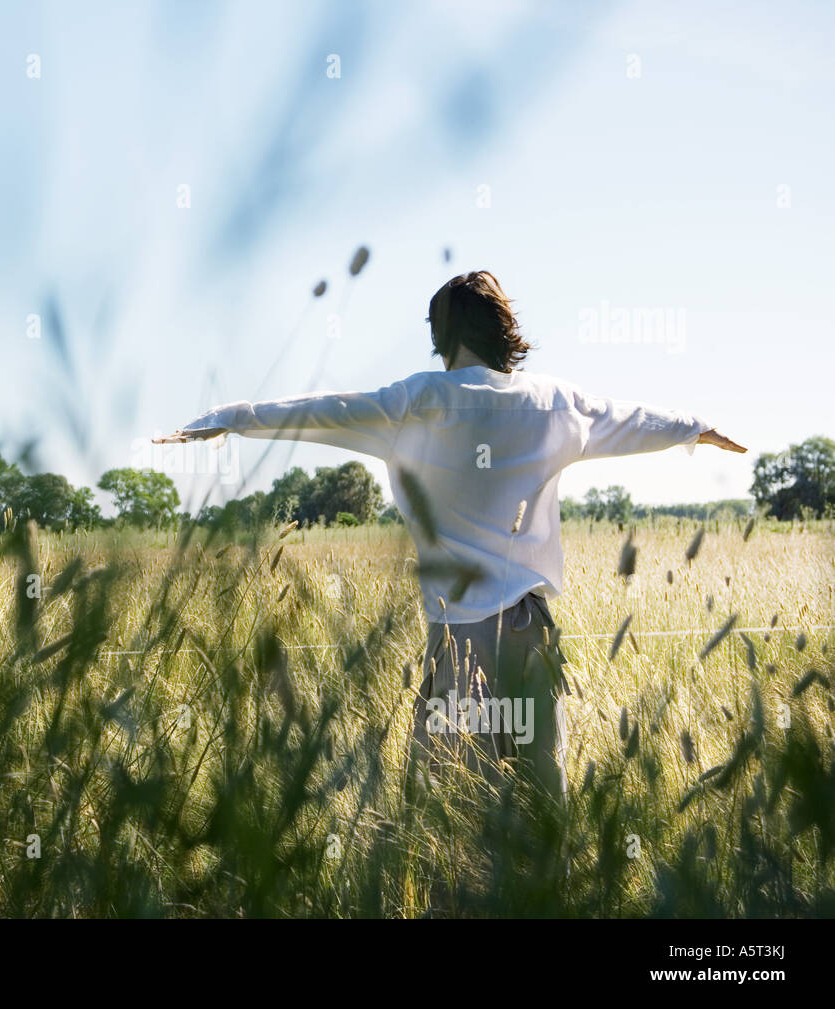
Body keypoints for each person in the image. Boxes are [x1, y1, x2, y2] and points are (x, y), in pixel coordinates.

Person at [154, 271, 745, 801]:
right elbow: (631, 418)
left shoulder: (417, 400)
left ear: (441, 336)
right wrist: (697, 428)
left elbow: (322, 408)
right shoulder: (552, 401)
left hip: (460, 640)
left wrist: (228, 417)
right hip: (531, 633)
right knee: (541, 793)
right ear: (503, 332)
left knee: (453, 800)